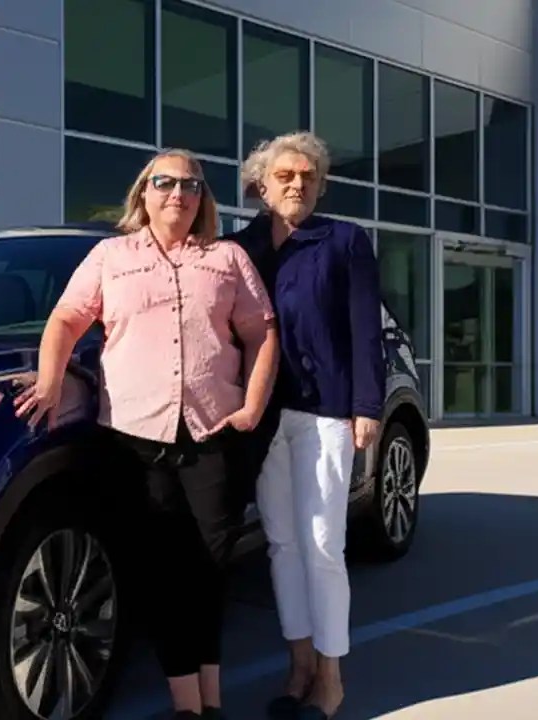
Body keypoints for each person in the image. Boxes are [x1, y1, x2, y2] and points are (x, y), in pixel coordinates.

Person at [14, 148, 279, 720]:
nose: (178, 194)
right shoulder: (111, 256)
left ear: (203, 198)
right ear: (144, 192)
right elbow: (66, 318)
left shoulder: (227, 258)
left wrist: (253, 405)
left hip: (213, 435)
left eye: (191, 185)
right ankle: (192, 707)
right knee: (163, 573)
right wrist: (50, 379)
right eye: (165, 183)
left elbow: (262, 333)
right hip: (134, 442)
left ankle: (209, 698)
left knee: (208, 571)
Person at [231, 131, 385, 720]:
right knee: (281, 544)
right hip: (263, 415)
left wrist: (366, 406)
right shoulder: (241, 247)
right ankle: (297, 664)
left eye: (309, 177)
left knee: (323, 544)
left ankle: (331, 677)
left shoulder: (343, 241)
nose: (298, 184)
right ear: (261, 185)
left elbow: (364, 328)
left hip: (325, 412)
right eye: (286, 176)